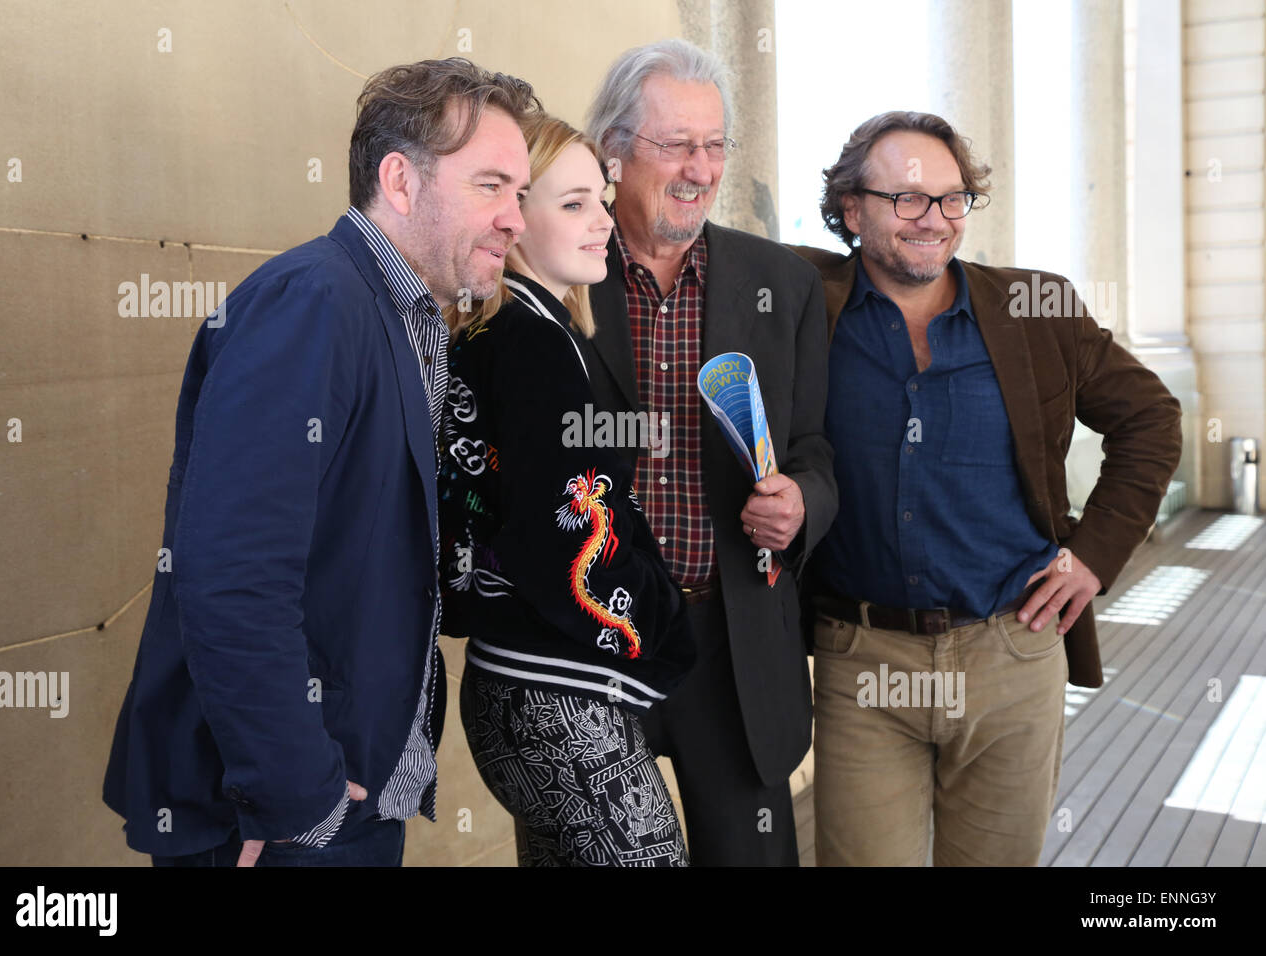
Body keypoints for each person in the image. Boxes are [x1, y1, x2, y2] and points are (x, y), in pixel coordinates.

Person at [102, 58, 538, 866]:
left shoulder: (405, 316)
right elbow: (233, 573)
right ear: (400, 181)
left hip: (347, 795)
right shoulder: (315, 302)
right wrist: (292, 788)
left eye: (520, 191)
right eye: (491, 187)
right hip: (286, 815)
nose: (517, 217)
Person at [789, 110, 1183, 866]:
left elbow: (1153, 421)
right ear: (850, 209)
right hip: (862, 662)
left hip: (1014, 655)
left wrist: (1091, 556)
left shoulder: (1039, 310)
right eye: (906, 199)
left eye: (951, 198)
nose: (932, 220)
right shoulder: (807, 303)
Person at [580, 39, 838, 866]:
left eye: (716, 144)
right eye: (675, 145)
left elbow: (813, 450)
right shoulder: (557, 277)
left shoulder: (781, 284)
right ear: (614, 151)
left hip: (732, 645)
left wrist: (800, 501)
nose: (701, 167)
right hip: (594, 644)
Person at [439, 113, 696, 867]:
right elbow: (555, 537)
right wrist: (660, 607)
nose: (605, 225)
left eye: (603, 202)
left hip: (519, 683)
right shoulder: (528, 342)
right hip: (551, 690)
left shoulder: (527, 328)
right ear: (516, 221)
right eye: (574, 204)